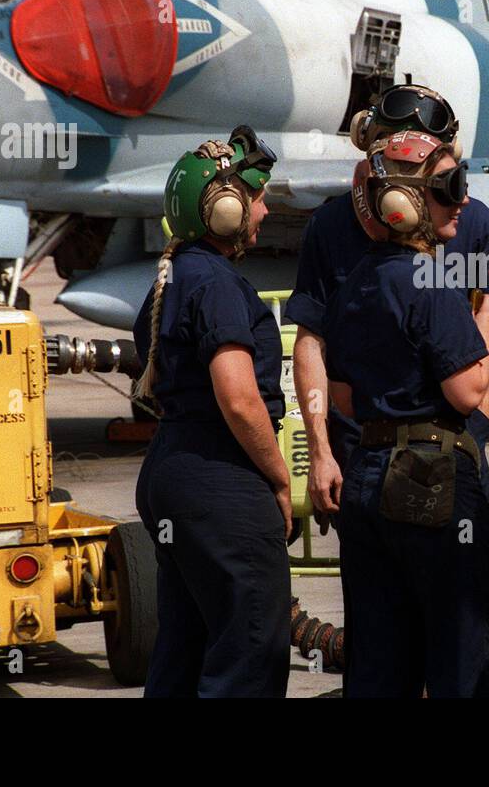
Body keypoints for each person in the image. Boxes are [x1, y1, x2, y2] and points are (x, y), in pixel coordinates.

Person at [285, 84, 489, 528]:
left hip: (452, 454)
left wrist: (474, 434)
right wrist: (320, 452)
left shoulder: (474, 223)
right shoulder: (328, 227)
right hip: (363, 458)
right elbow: (311, 343)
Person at [321, 130, 489, 697]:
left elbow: (345, 400)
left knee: (379, 662)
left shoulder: (357, 280)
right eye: (450, 189)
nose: (464, 201)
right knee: (458, 656)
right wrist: (484, 334)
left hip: (366, 475)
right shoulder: (432, 279)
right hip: (432, 482)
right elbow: (468, 392)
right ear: (411, 203)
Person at [131, 127, 293, 698]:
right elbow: (239, 398)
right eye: (257, 197)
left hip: (171, 476)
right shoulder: (217, 283)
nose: (266, 209)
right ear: (225, 209)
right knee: (249, 654)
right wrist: (278, 479)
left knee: (184, 648)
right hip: (220, 484)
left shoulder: (171, 278)